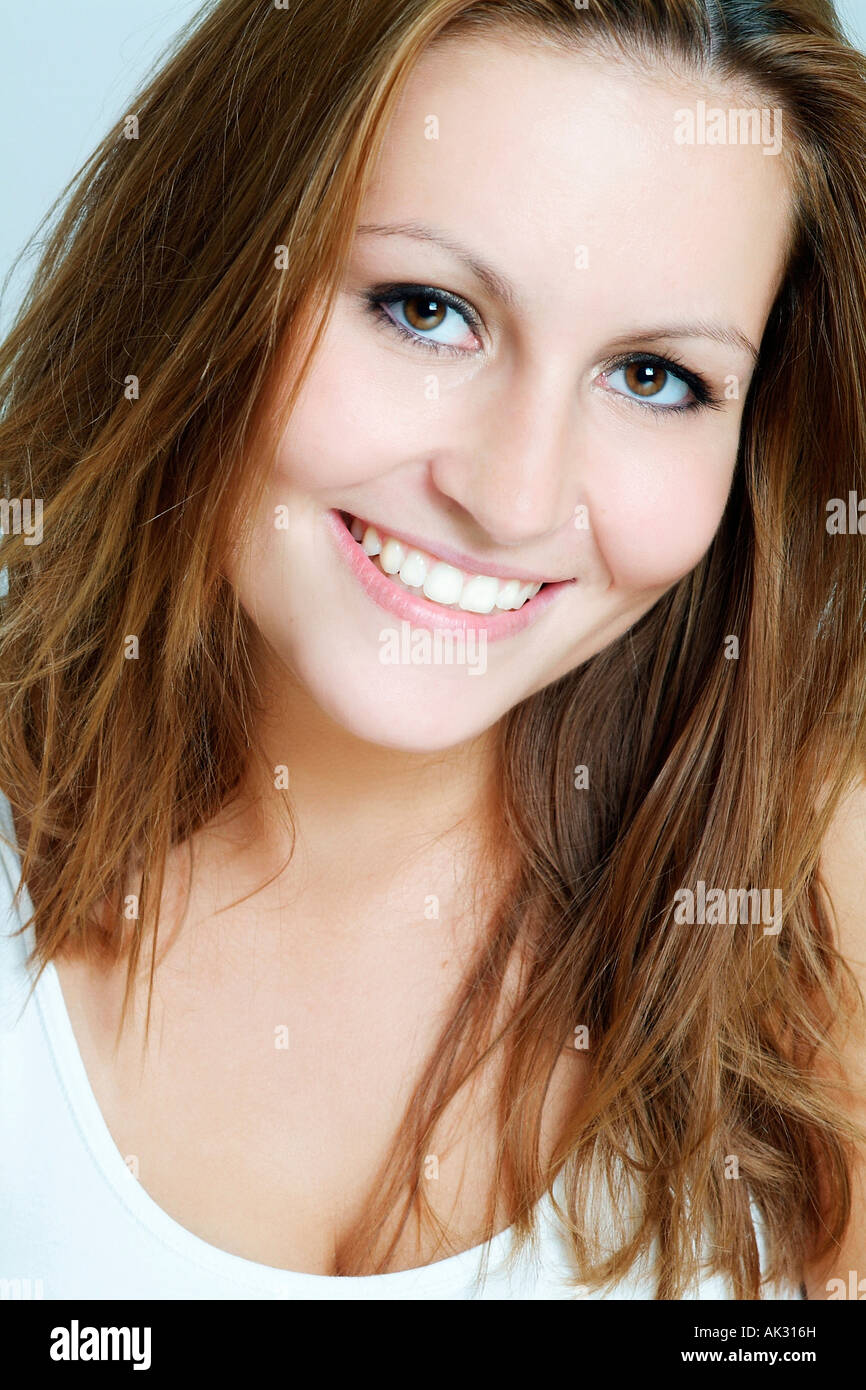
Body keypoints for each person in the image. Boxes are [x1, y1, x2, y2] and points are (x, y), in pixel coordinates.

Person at [1, 0, 865, 1300]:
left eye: (652, 378)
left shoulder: (816, 903)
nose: (513, 497)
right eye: (423, 308)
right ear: (212, 274)